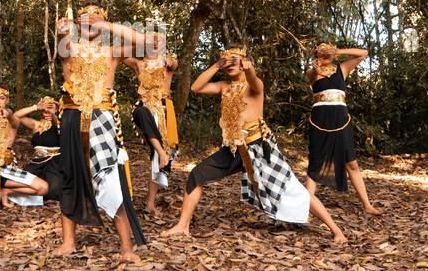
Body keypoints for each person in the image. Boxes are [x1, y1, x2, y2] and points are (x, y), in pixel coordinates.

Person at [165, 47, 347, 243]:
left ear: (244, 62)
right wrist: (216, 65)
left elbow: (254, 80)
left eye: (234, 60)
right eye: (225, 61)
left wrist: (248, 67)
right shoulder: (224, 86)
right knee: (196, 175)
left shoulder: (253, 86)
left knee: (294, 188)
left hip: (259, 148)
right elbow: (196, 87)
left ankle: (337, 231)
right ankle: (182, 226)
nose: (230, 64)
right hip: (233, 149)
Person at [56, 3, 148, 261]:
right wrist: (64, 29)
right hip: (73, 115)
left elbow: (152, 45)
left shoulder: (112, 50)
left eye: (97, 16)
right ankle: (68, 243)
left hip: (102, 117)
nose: (91, 19)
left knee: (109, 177)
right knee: (71, 174)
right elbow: (64, 38)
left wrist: (108, 26)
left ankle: (126, 248)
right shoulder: (70, 48)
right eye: (85, 17)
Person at [305, 43, 378, 214]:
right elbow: (314, 74)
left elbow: (363, 53)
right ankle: (307, 205)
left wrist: (339, 51)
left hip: (341, 120)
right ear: (316, 54)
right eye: (320, 51)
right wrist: (318, 67)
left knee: (351, 162)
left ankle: (367, 205)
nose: (324, 53)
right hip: (320, 120)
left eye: (327, 50)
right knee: (316, 160)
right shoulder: (312, 72)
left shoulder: (342, 69)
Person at [127, 45, 179, 214]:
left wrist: (167, 60)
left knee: (160, 156)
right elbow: (119, 54)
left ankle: (150, 203)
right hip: (144, 107)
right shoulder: (138, 64)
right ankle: (161, 151)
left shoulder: (167, 62)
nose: (155, 42)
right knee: (142, 113)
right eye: (150, 39)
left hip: (163, 109)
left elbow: (174, 65)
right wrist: (137, 42)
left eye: (159, 39)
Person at [1, 96, 63, 207]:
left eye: (51, 107)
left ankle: (10, 192)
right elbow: (16, 116)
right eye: (45, 108)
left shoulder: (60, 124)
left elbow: (56, 123)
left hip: (55, 162)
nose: (47, 110)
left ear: (57, 109)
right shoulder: (36, 124)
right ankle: (6, 191)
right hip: (37, 162)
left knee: (53, 191)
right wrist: (36, 107)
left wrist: (53, 116)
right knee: (23, 182)